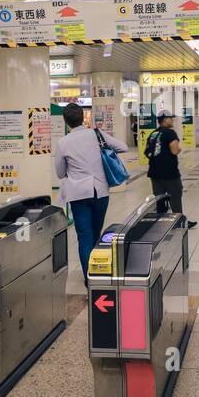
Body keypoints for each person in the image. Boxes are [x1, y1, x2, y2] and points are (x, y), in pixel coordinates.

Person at [53, 102, 129, 274]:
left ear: (66, 121)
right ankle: (98, 270)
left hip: (78, 194)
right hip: (100, 191)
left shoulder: (63, 143)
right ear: (82, 118)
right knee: (96, 234)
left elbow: (59, 173)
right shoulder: (96, 134)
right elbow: (123, 147)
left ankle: (90, 279)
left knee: (84, 238)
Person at [145, 111, 196, 228]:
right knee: (175, 198)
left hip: (154, 172)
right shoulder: (170, 133)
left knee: (160, 199)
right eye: (170, 118)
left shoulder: (153, 134)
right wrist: (179, 149)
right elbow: (174, 150)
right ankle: (179, 222)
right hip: (169, 173)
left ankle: (160, 224)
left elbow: (148, 152)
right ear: (164, 120)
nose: (172, 120)